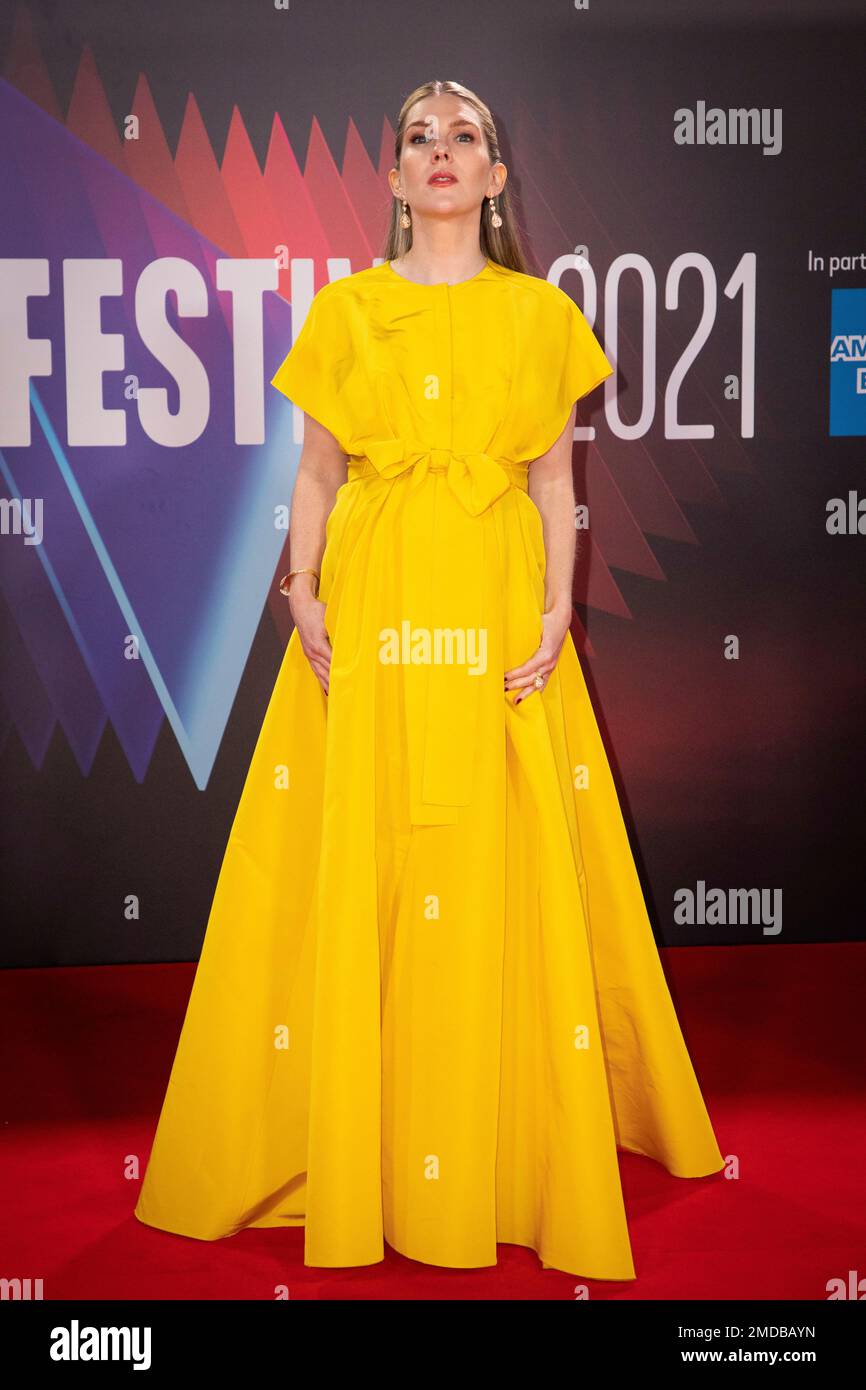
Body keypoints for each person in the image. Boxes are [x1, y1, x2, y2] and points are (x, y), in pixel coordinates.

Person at [134, 79, 724, 1282]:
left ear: (496, 178)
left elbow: (556, 484)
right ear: (395, 177)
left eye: (465, 138)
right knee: (371, 856)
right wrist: (300, 595)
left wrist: (558, 609)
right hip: (372, 611)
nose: (442, 152)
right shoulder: (346, 315)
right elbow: (312, 477)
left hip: (495, 610)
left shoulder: (537, 315)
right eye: (420, 138)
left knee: (492, 858)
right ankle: (354, 1147)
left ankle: (504, 1150)